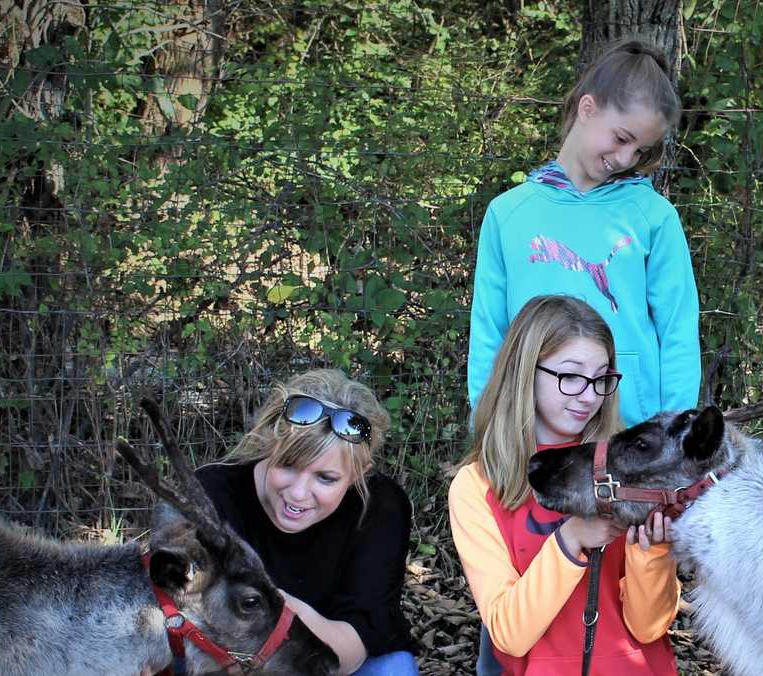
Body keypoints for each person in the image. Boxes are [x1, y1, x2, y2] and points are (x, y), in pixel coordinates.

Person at [467, 38, 701, 431]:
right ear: (587, 108)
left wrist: (675, 430)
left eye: (640, 151)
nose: (627, 159)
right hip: (528, 431)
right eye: (622, 138)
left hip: (629, 435)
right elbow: (489, 330)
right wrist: (485, 421)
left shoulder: (653, 216)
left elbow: (677, 330)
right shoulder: (509, 214)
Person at [449, 295, 680, 676]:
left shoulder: (631, 469)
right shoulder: (477, 486)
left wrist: (650, 552)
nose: (589, 396)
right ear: (525, 371)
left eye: (601, 378)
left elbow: (649, 627)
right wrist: (570, 539)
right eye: (571, 376)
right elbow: (509, 634)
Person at [196, 369, 418, 676]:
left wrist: (276, 608)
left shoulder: (381, 508)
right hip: (228, 663)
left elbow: (355, 646)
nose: (298, 493)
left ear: (359, 473)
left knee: (394, 669)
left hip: (329, 661)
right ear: (269, 444)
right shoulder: (211, 494)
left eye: (325, 478)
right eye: (288, 466)